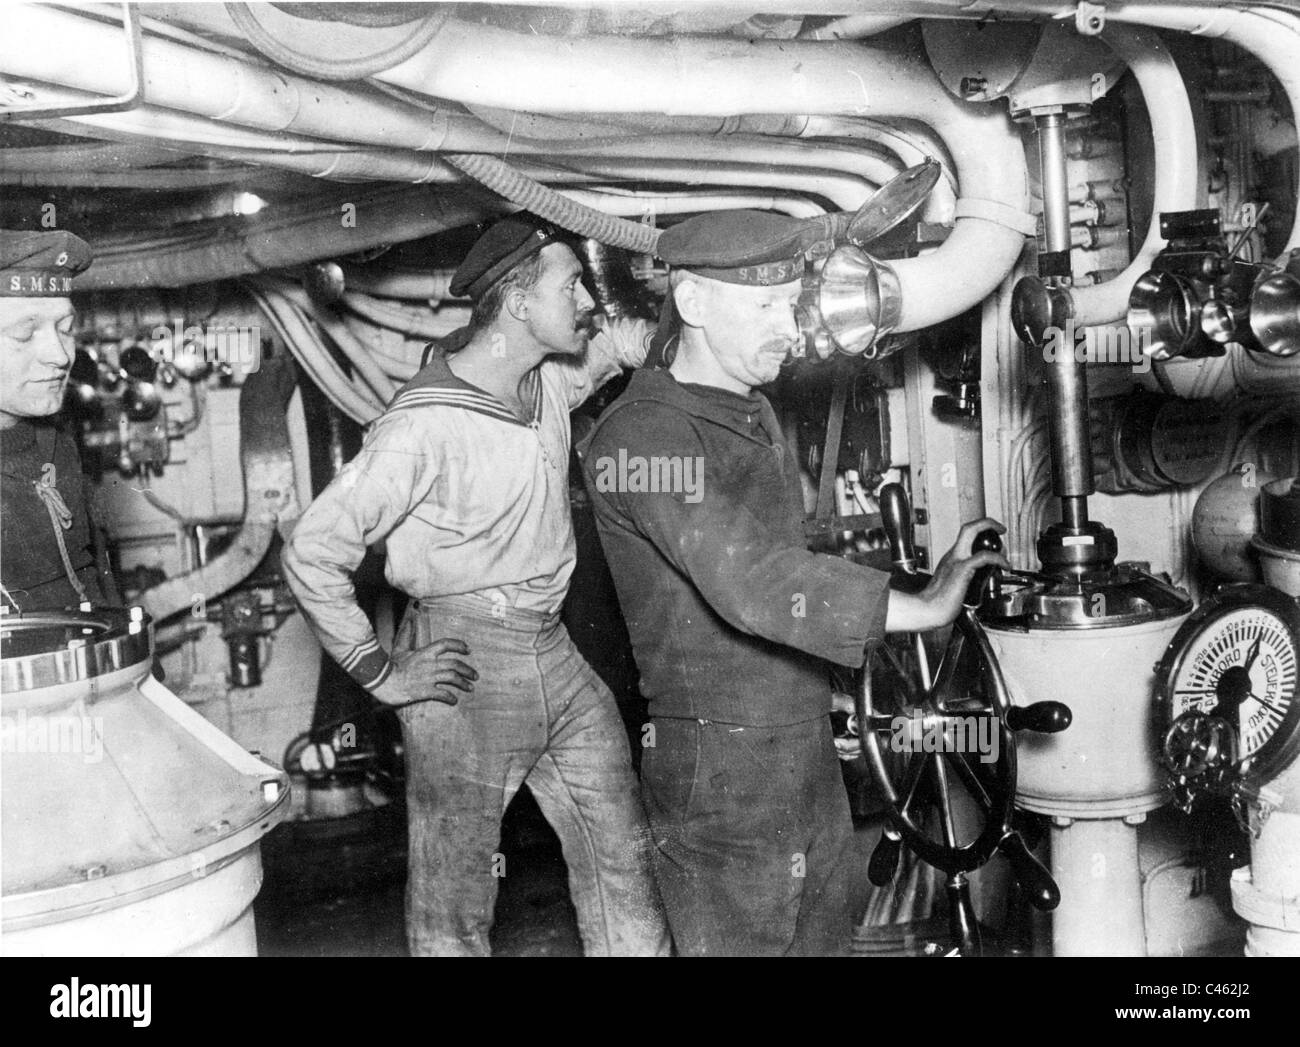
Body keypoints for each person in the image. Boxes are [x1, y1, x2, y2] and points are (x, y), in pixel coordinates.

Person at [580, 210, 1007, 956]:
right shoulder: (639, 438)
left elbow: (788, 565)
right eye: (764, 304)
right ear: (695, 304)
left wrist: (901, 601)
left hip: (801, 751)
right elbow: (753, 582)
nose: (789, 324)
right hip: (722, 777)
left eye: (790, 301)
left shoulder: (754, 411)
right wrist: (929, 606)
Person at [282, 213, 669, 957]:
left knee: (624, 859)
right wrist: (379, 672)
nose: (587, 299)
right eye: (571, 286)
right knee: (454, 906)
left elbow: (620, 344)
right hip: (465, 661)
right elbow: (313, 549)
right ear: (519, 305)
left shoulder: (549, 377)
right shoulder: (419, 427)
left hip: (551, 647)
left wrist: (700, 331)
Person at [1, 229, 116, 612]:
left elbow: (92, 581)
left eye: (65, 329)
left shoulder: (56, 445)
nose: (60, 355)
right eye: (24, 333)